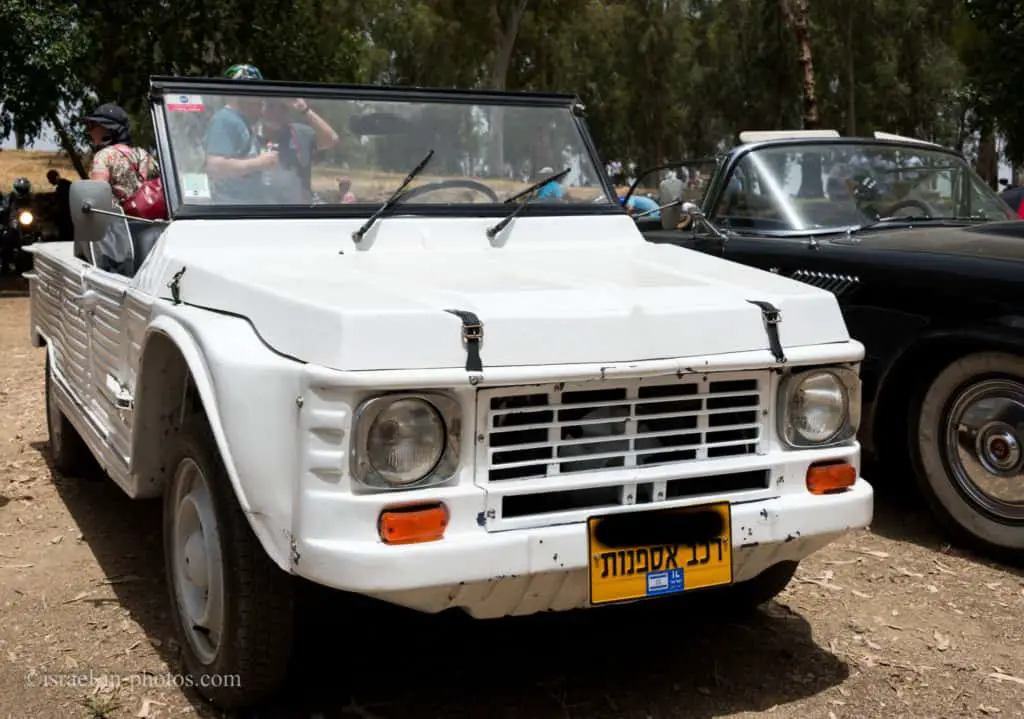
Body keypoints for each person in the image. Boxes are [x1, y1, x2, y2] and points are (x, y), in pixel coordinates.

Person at [204, 64, 279, 204]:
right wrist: (259, 163)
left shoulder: (243, 121)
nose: (259, 97)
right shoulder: (225, 119)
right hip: (229, 205)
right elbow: (215, 166)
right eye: (252, 90)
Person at [256, 95, 340, 203]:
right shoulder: (248, 134)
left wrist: (305, 110)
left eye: (283, 108)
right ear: (260, 107)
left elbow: (332, 139)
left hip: (298, 209)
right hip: (260, 208)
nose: (276, 113)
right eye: (270, 106)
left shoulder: (300, 133)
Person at [81, 103, 161, 211]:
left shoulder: (104, 156)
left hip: (117, 220)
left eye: (92, 126)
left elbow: (96, 200)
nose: (89, 131)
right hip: (147, 219)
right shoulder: (145, 155)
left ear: (107, 127)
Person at [47, 170, 74, 243]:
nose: (50, 181)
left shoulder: (63, 187)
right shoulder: (65, 184)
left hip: (67, 215)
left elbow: (62, 203)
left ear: (56, 177)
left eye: (51, 179)